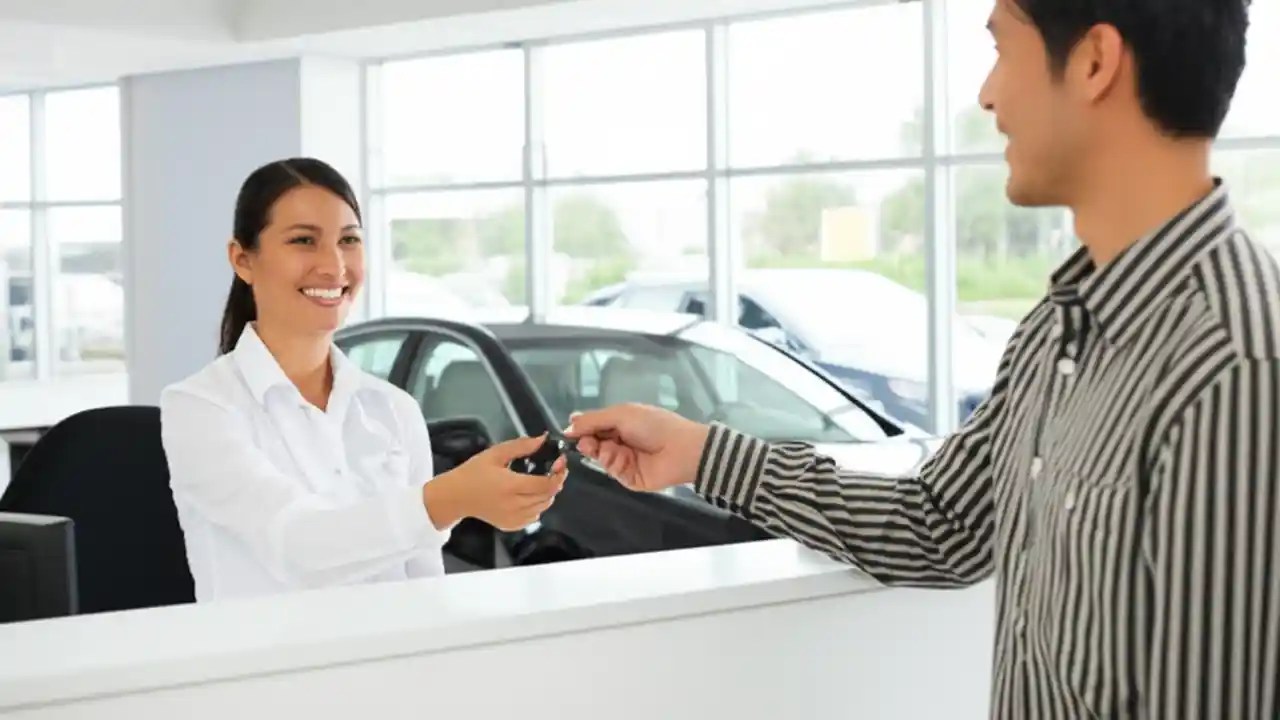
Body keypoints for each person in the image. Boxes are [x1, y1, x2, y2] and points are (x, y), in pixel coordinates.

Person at [558, 1, 1278, 717]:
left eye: (1002, 48)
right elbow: (940, 522)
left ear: (1093, 62)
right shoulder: (1058, 330)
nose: (988, 94)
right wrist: (700, 453)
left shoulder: (1232, 364)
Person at [161, 157, 564, 602]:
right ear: (242, 259)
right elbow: (299, 547)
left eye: (349, 240)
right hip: (269, 670)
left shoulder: (394, 409)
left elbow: (423, 584)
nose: (334, 267)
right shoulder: (200, 407)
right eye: (303, 241)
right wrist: (454, 498)